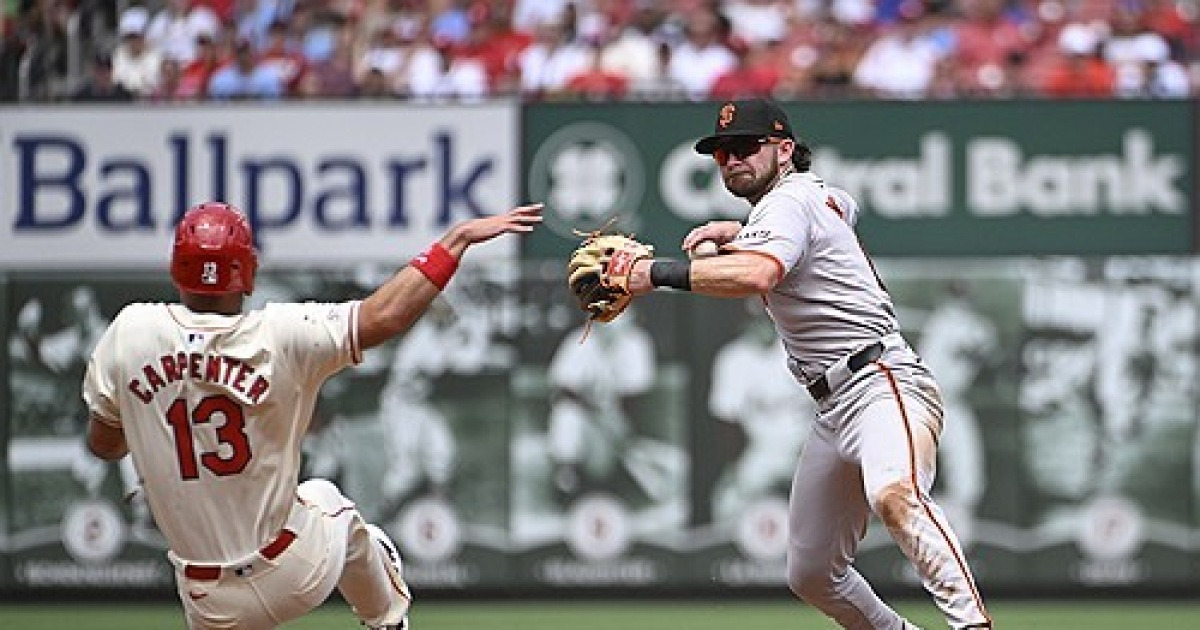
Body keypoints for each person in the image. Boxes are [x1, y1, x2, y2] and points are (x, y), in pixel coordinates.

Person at [83, 200, 542, 630]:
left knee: (316, 498)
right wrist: (455, 241)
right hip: (295, 569)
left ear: (177, 271)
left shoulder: (130, 331)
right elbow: (385, 316)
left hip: (207, 600)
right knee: (325, 498)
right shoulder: (280, 334)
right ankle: (387, 618)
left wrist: (156, 441)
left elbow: (104, 445)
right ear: (248, 273)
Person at [621, 99, 991, 629]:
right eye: (721, 152)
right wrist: (740, 232)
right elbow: (842, 205)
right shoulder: (807, 198)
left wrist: (653, 273)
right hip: (833, 406)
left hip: (882, 381)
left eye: (746, 148)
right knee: (813, 573)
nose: (731, 161)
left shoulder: (789, 202)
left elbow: (756, 277)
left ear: (785, 150)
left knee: (895, 492)